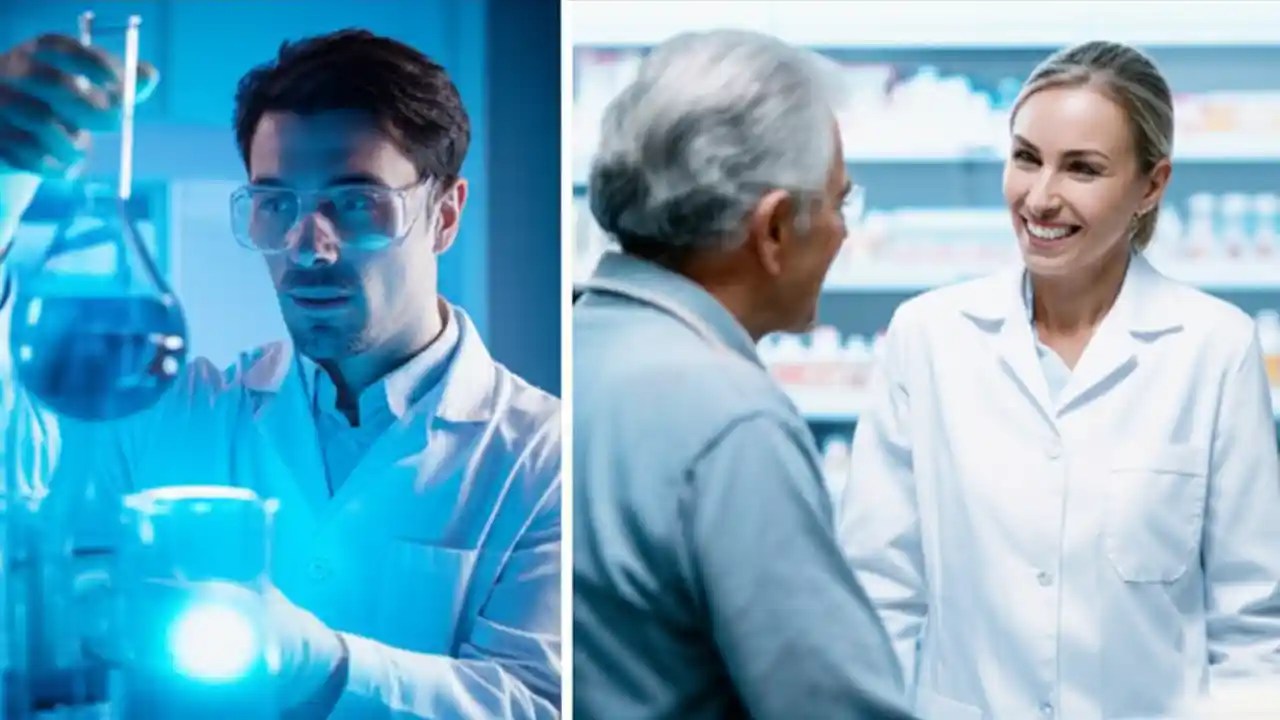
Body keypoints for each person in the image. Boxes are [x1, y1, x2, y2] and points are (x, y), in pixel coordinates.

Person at [0, 29, 561, 719]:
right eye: (275, 204)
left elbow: (536, 701)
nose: (308, 246)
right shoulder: (181, 410)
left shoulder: (548, 457)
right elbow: (17, 462)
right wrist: (4, 191)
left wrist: (322, 664)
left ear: (444, 215)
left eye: (355, 203)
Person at [837, 40, 1280, 720]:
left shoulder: (1213, 348)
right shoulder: (929, 337)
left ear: (1151, 185)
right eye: (1025, 158)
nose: (1040, 198)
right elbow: (881, 593)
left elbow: (1252, 624)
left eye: (1083, 169)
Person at [573, 29, 915, 719]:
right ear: (775, 228)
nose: (846, 234)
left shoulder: (568, 355)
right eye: (840, 202)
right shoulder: (730, 422)